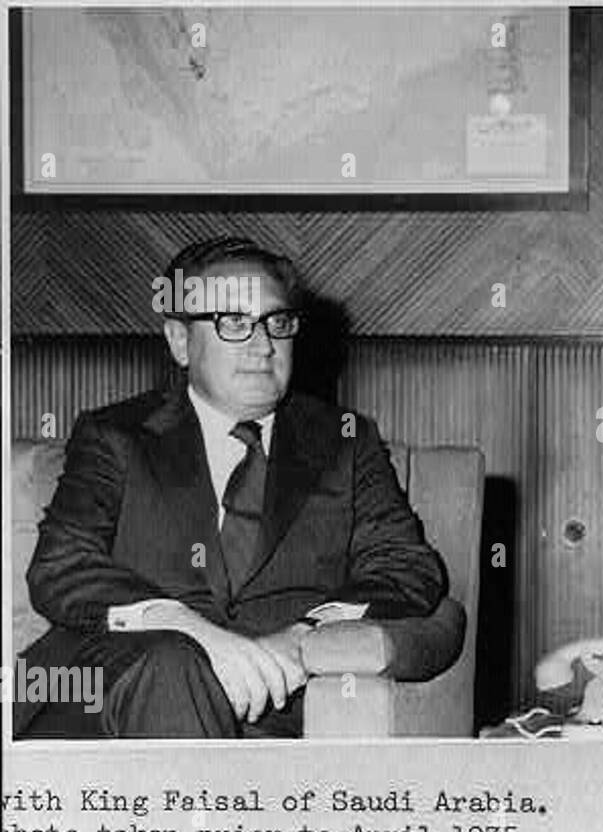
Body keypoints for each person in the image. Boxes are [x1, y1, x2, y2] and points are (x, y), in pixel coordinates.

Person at [19, 237, 458, 738]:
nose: (263, 344)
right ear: (181, 342)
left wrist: (304, 639)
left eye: (278, 322)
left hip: (271, 706)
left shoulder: (345, 442)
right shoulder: (114, 435)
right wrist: (196, 634)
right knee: (171, 664)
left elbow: (406, 567)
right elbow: (61, 566)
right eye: (233, 323)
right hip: (115, 694)